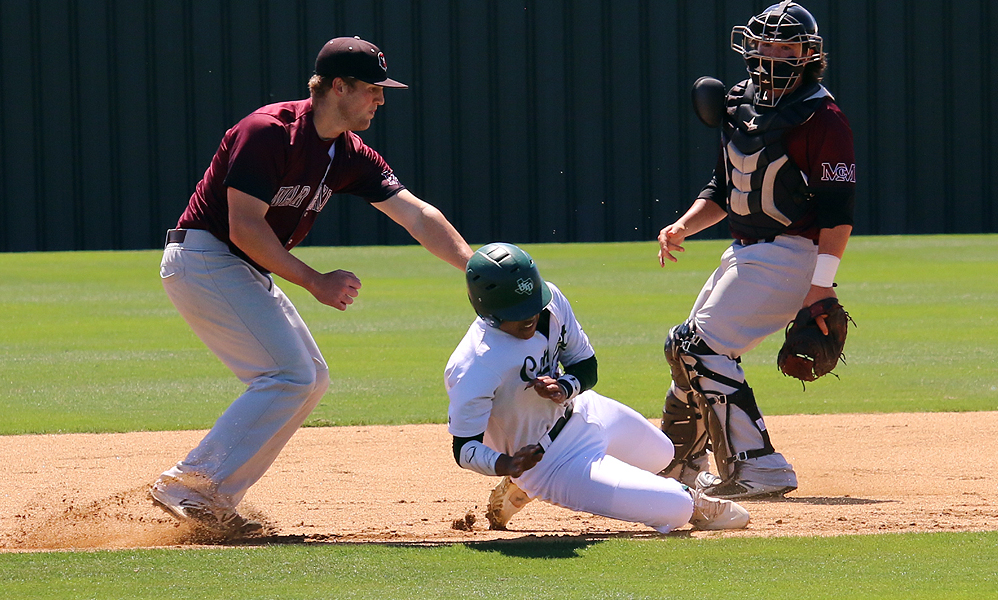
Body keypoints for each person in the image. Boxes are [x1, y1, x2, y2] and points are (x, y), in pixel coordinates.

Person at [151, 36, 473, 537]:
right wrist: (314, 281)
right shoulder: (268, 132)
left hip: (238, 266)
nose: (381, 99)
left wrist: (473, 266)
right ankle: (188, 483)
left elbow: (417, 215)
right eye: (372, 88)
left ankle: (212, 499)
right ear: (338, 86)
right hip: (205, 257)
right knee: (289, 375)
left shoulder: (347, 152)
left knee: (309, 378)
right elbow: (244, 227)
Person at [655, 1, 855, 500]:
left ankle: (760, 466)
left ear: (809, 56)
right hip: (747, 251)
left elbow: (837, 213)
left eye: (786, 48)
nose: (772, 58)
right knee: (684, 351)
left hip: (793, 253)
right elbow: (727, 189)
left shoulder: (823, 117)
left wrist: (821, 287)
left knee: (701, 348)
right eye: (765, 46)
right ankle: (677, 465)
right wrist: (682, 225)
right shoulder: (739, 104)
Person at [445, 243, 750, 533]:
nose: (530, 316)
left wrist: (565, 386)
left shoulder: (551, 301)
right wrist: (507, 464)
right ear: (486, 310)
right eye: (517, 311)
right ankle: (690, 502)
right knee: (679, 507)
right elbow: (464, 448)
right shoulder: (473, 365)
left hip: (586, 410)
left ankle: (528, 487)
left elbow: (586, 365)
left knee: (663, 454)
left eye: (532, 304)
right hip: (551, 463)